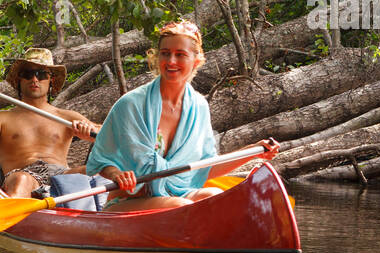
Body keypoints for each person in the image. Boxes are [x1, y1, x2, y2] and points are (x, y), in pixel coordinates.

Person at [86, 21, 277, 211]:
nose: (171, 61)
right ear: (156, 56)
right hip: (127, 203)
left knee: (216, 196)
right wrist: (116, 174)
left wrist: (254, 151)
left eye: (180, 55)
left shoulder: (199, 107)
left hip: (179, 194)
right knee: (180, 206)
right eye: (165, 53)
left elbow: (204, 168)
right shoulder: (131, 104)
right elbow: (101, 159)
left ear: (196, 60)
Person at [0, 47, 100, 198]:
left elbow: (105, 132)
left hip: (61, 175)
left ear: (52, 80)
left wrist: (91, 132)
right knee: (21, 180)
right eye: (28, 74)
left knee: (93, 171)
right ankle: (15, 212)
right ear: (19, 80)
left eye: (41, 74)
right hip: (21, 176)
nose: (34, 79)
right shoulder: (2, 117)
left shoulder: (67, 117)